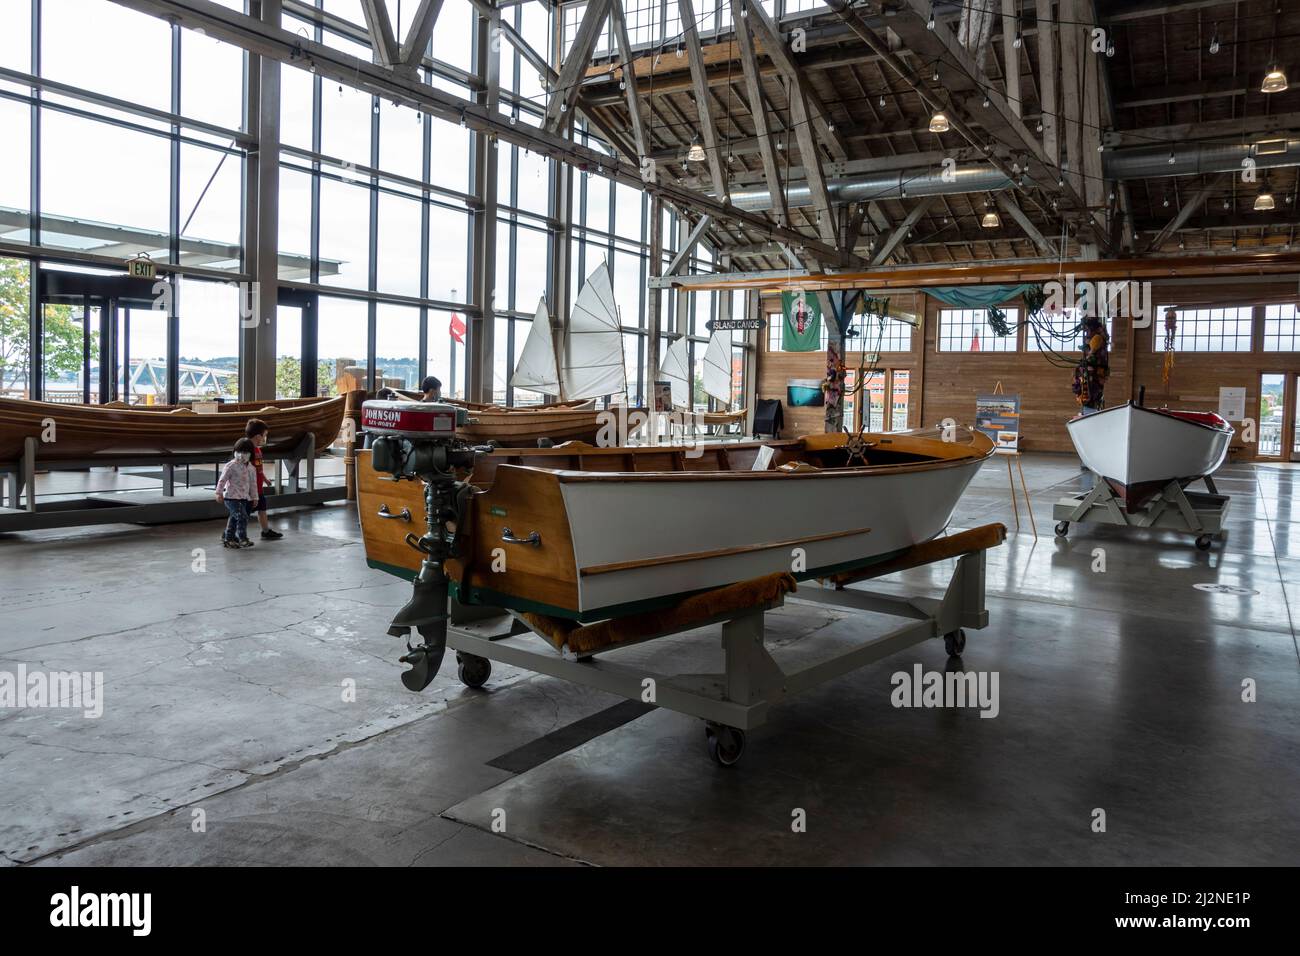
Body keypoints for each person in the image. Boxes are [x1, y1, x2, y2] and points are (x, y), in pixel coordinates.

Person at [215, 438, 258, 549]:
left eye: (245, 452)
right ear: (234, 451)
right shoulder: (231, 466)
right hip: (231, 498)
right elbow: (222, 480)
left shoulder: (251, 468)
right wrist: (218, 493)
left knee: (234, 518)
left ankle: (229, 538)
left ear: (251, 454)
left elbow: (253, 484)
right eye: (239, 452)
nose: (241, 455)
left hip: (243, 498)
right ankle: (242, 538)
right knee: (242, 517)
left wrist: (255, 497)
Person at [244, 418, 284, 540]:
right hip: (250, 489)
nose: (264, 439)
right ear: (257, 436)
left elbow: (258, 469)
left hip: (258, 487)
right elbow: (243, 470)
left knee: (262, 508)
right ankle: (231, 532)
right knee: (243, 512)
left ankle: (265, 531)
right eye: (264, 436)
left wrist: (265, 479)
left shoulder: (258, 450)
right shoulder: (248, 450)